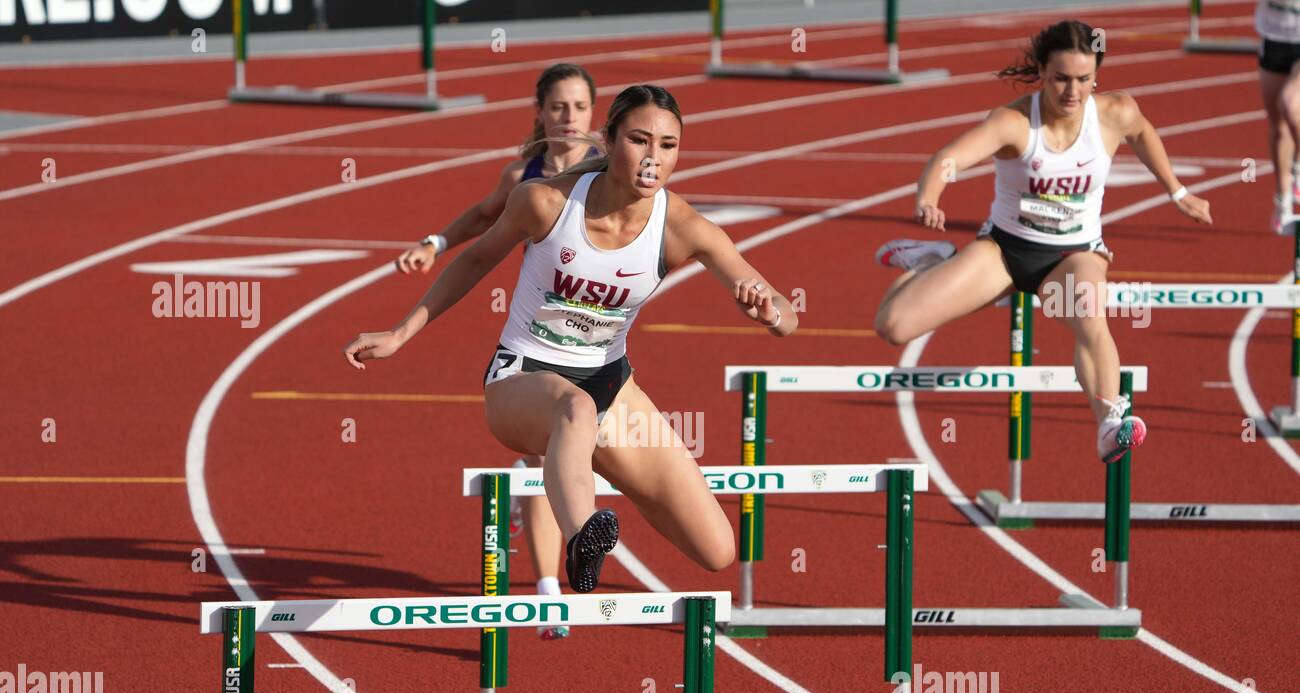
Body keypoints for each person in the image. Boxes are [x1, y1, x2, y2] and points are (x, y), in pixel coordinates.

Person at [346, 84, 796, 592]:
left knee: (716, 550)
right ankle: (583, 536)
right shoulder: (546, 202)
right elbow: (475, 258)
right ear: (608, 140)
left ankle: (595, 471)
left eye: (668, 146)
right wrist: (400, 334)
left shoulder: (682, 227)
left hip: (611, 385)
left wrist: (767, 312)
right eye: (639, 140)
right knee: (575, 410)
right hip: (523, 376)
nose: (653, 158)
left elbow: (786, 313)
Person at [874, 19, 1212, 464]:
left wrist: (1178, 191)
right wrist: (929, 197)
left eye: (1084, 80)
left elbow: (1143, 133)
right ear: (1041, 72)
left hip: (1073, 255)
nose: (1073, 92)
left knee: (1088, 310)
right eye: (1061, 79)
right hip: (1005, 252)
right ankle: (931, 264)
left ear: (1096, 76)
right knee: (892, 327)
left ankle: (1110, 420)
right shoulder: (1014, 123)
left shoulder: (1115, 113)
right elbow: (949, 159)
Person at [395, 63, 600, 636]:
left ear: (593, 114)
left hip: (597, 339)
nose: (569, 117)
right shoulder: (523, 178)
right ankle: (548, 595)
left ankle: (551, 562)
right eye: (558, 106)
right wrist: (433, 243)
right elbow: (483, 221)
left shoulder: (606, 174)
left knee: (583, 456)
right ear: (540, 112)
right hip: (537, 336)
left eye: (579, 107)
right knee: (552, 456)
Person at [1254, 0, 1300, 233]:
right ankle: (1283, 198)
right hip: (1275, 34)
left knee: (1290, 104)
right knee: (1279, 127)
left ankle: (1299, 168)